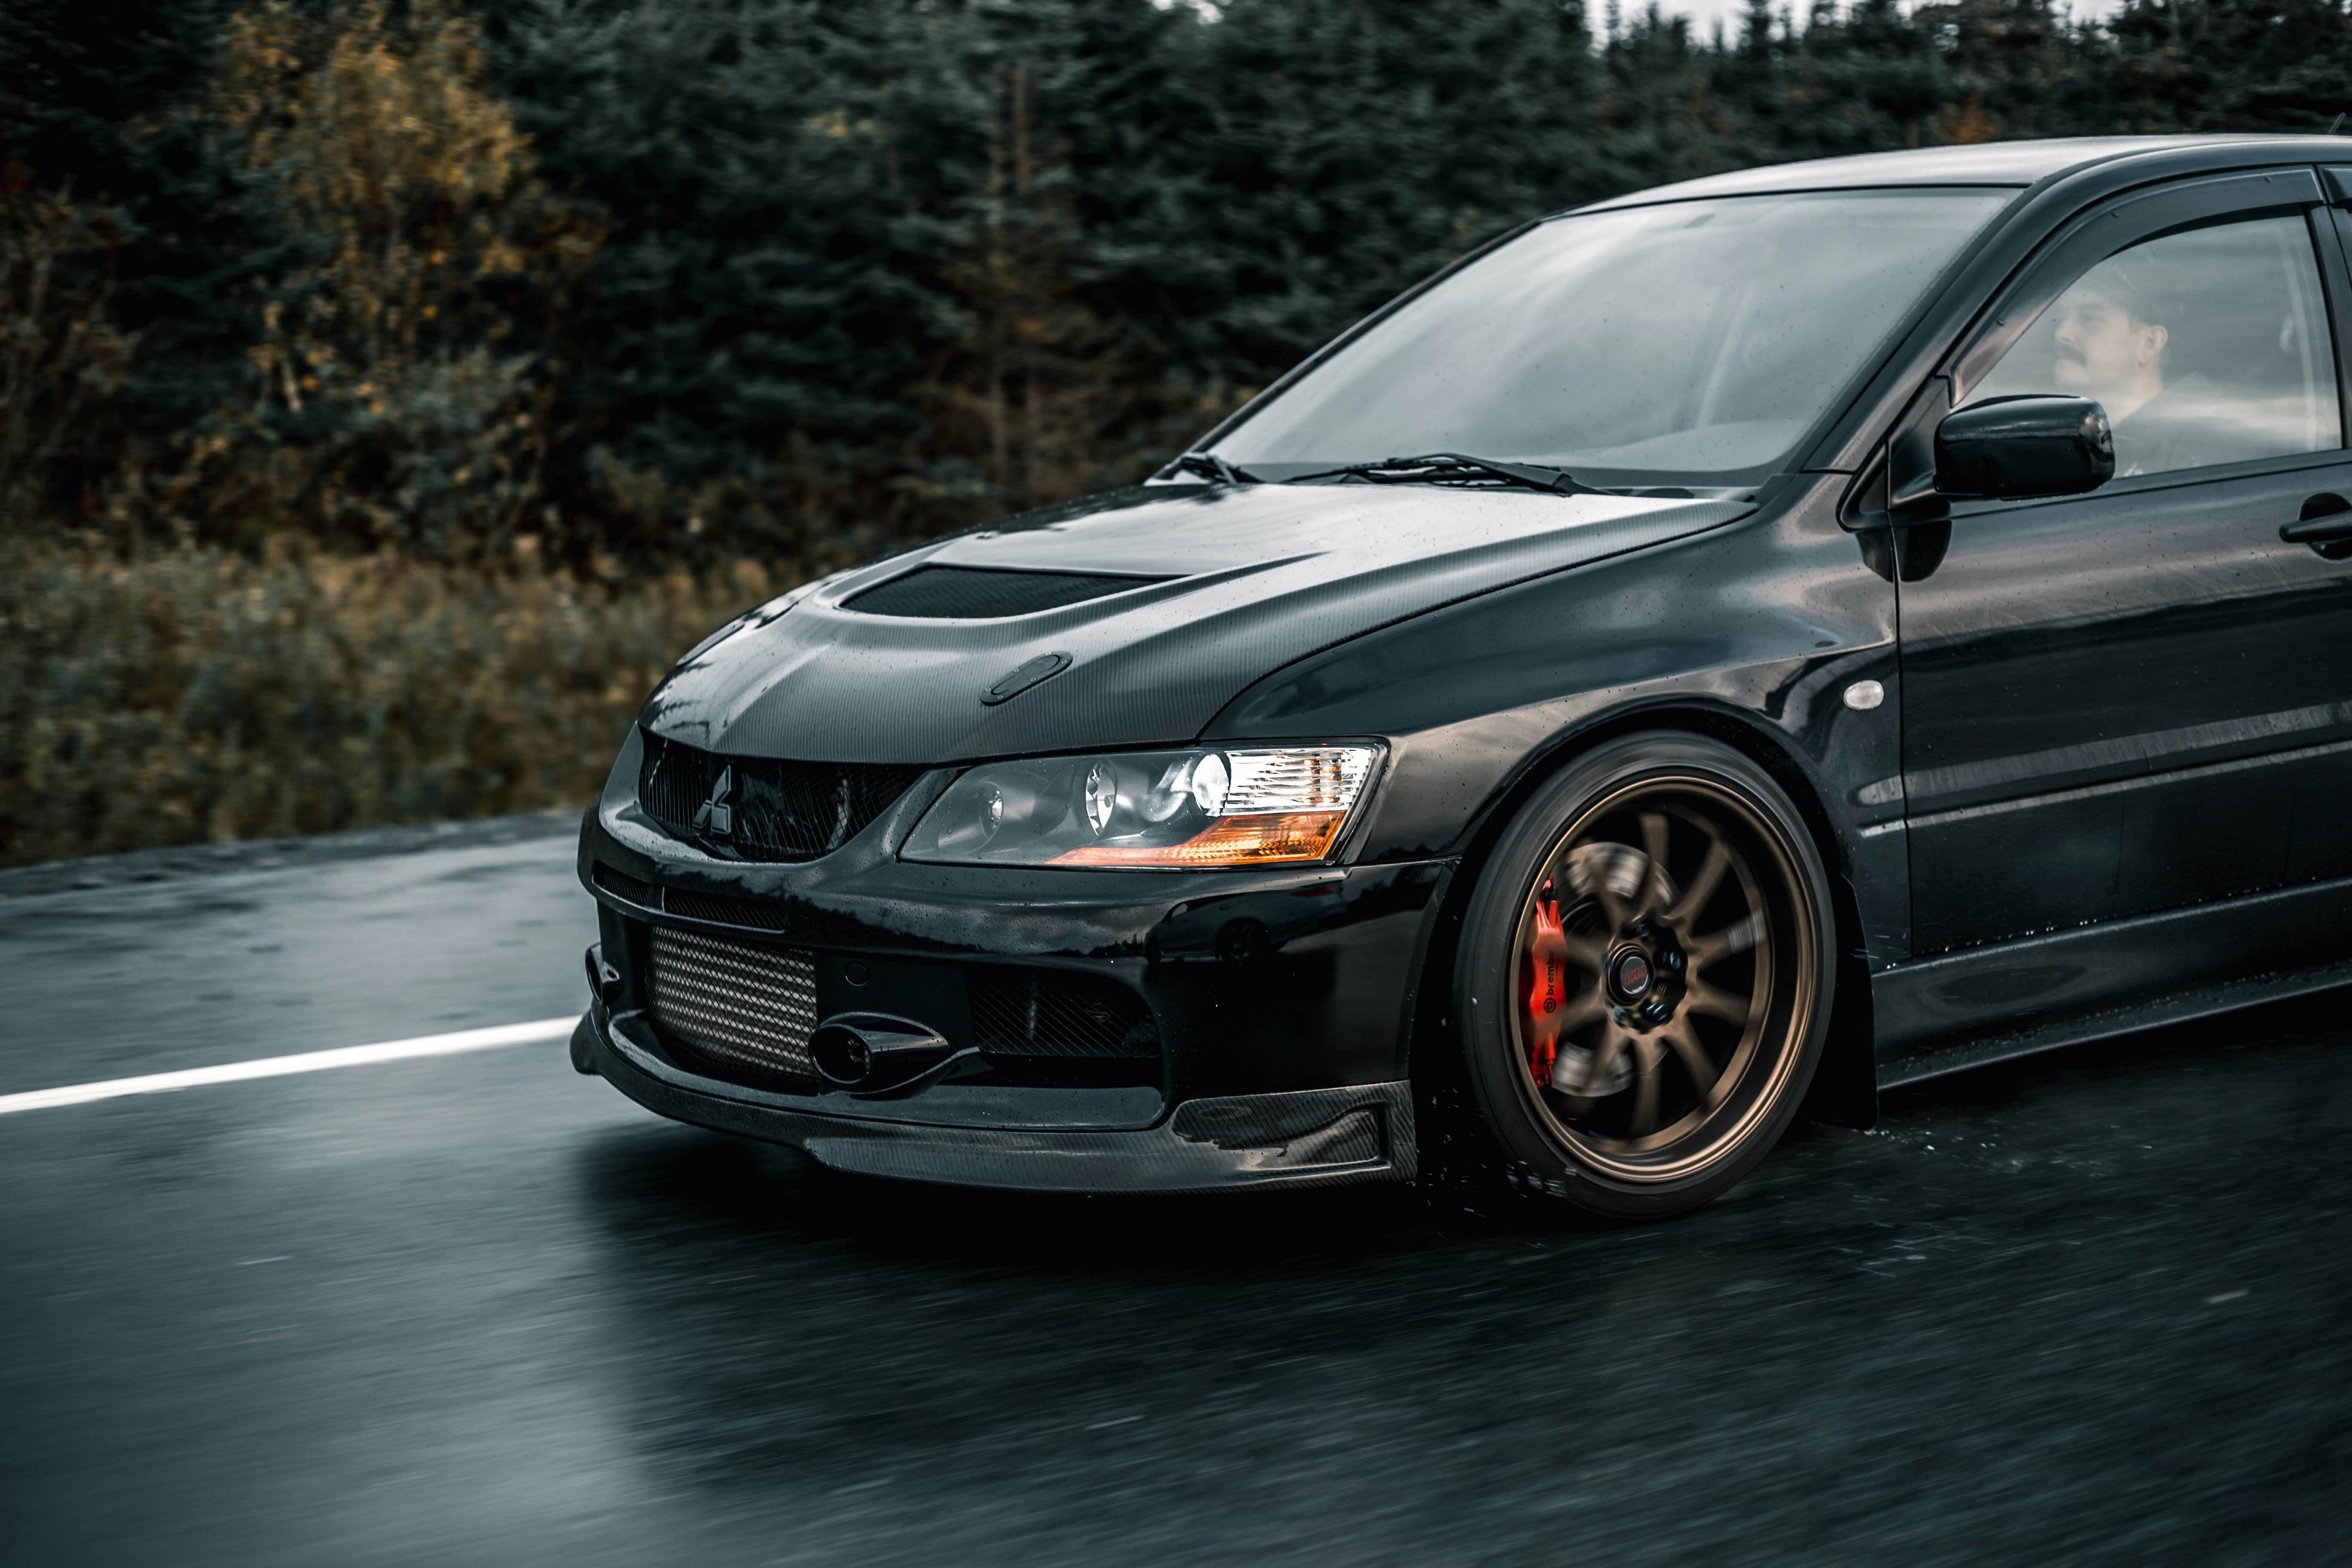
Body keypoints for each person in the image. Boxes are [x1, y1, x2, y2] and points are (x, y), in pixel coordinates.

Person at [2046, 258, 2236, 477]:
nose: (2061, 333)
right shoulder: (2072, 441)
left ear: (2149, 344)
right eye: (2060, 319)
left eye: (2090, 318)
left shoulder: (2208, 446)